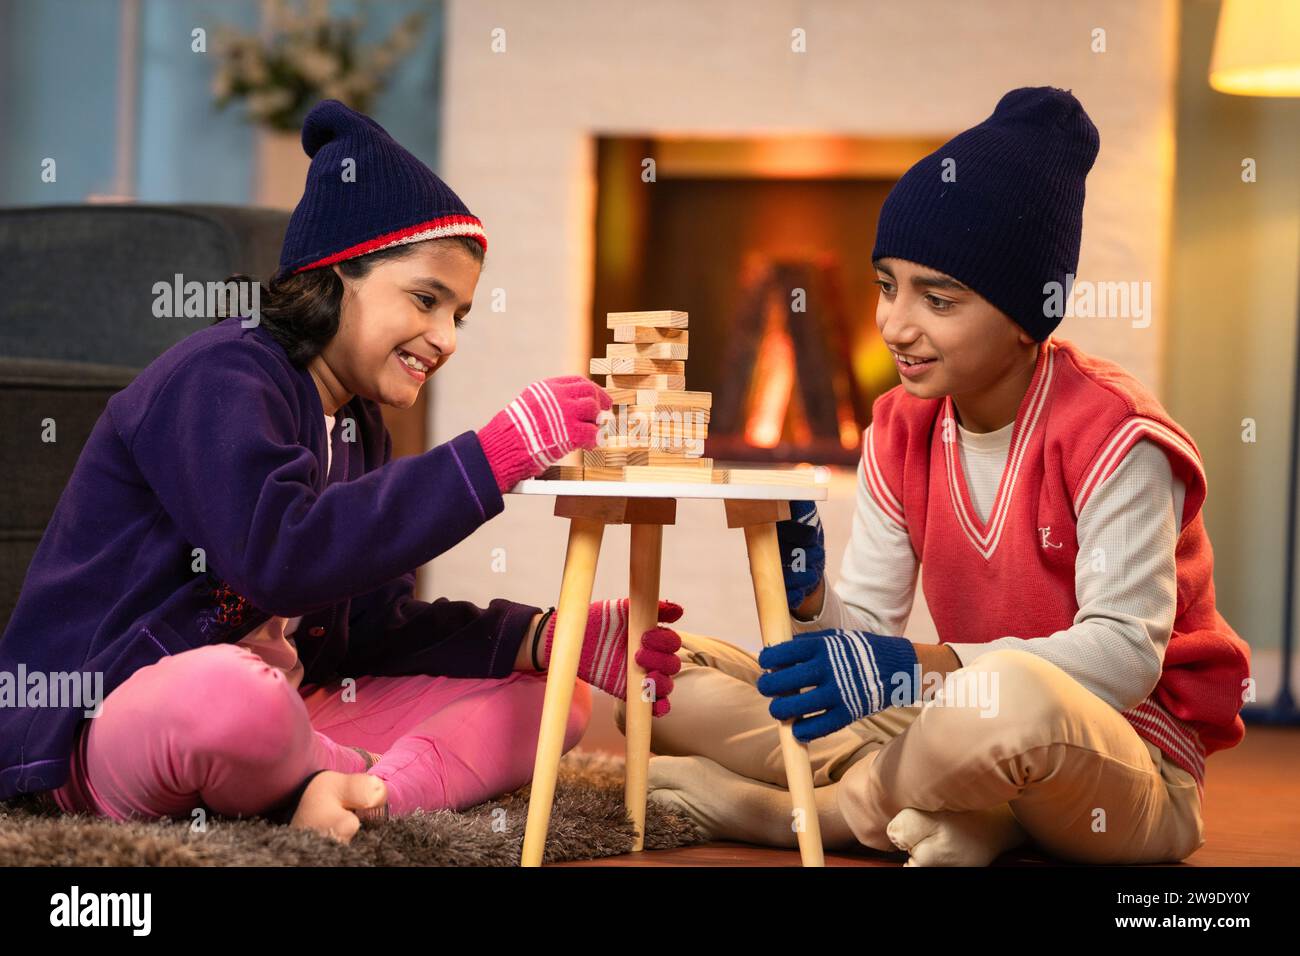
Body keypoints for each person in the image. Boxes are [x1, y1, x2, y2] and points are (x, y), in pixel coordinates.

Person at [0, 99, 683, 844]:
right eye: (426, 300)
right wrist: (493, 456)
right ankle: (326, 772)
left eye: (460, 315)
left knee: (555, 703)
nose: (445, 338)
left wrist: (550, 637)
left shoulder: (358, 425)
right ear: (334, 275)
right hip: (114, 718)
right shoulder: (220, 375)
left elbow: (372, 629)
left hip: (289, 703)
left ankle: (363, 792)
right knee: (234, 700)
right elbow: (280, 559)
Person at [618, 86, 1250, 866]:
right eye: (887, 285)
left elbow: (1123, 658)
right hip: (950, 719)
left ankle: (782, 811)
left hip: (1118, 759)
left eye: (937, 298)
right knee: (664, 674)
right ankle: (968, 813)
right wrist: (813, 602)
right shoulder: (899, 425)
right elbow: (870, 647)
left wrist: (921, 668)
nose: (894, 324)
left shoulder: (1119, 437)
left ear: (1027, 316)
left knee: (1007, 699)